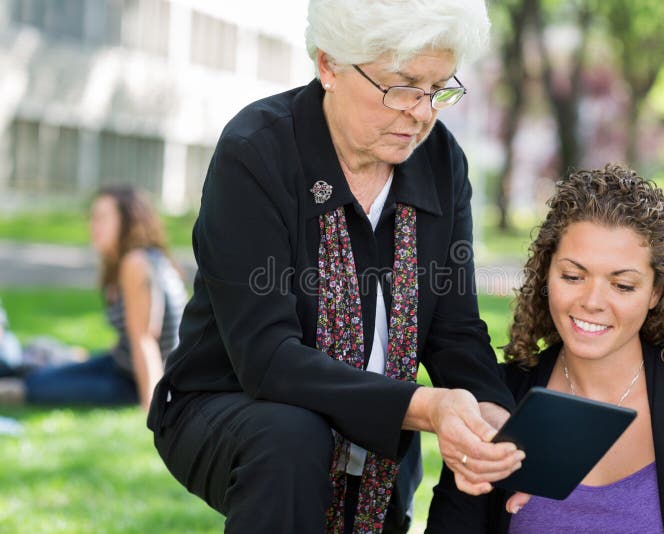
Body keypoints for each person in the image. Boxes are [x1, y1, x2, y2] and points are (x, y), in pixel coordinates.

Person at [146, 1, 526, 532]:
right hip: (227, 403)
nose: (420, 111)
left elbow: (455, 329)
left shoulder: (441, 160)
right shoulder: (255, 152)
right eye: (402, 85)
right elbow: (267, 358)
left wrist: (491, 413)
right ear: (329, 65)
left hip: (379, 430)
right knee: (292, 436)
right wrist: (425, 407)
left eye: (439, 88)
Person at [426, 165, 664, 533]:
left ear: (656, 292)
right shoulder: (497, 401)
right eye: (573, 276)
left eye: (622, 286)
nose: (592, 301)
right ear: (546, 274)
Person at [0, 186, 187, 409]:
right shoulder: (139, 258)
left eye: (102, 218)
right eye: (92, 218)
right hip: (118, 364)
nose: (93, 226)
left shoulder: (136, 263)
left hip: (133, 381)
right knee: (36, 374)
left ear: (127, 221)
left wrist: (153, 408)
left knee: (32, 387)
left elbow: (146, 340)